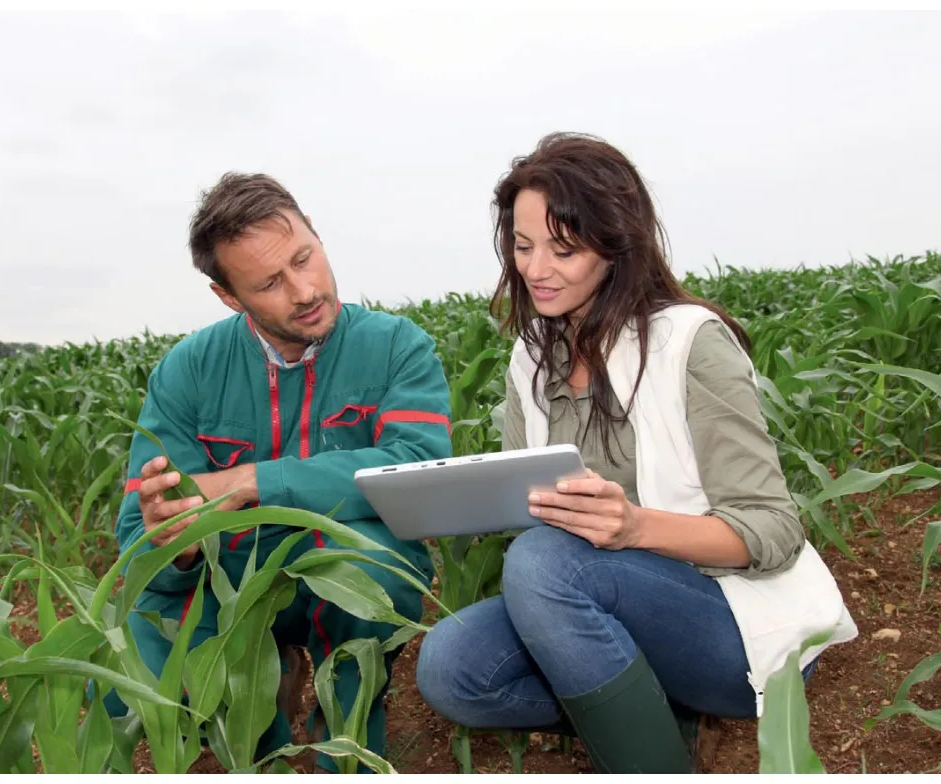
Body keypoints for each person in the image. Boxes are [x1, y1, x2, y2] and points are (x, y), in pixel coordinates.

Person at [414, 132, 859, 774]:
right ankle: (657, 717)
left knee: (545, 563)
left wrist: (634, 527)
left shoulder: (689, 343)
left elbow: (774, 529)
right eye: (523, 245)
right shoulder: (530, 359)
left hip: (731, 616)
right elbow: (526, 505)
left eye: (563, 249)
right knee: (453, 667)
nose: (535, 269)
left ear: (616, 245)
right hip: (589, 597)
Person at [105, 172, 453, 772]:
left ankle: (346, 751)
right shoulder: (187, 371)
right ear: (228, 296)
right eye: (269, 283)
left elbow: (419, 466)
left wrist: (254, 482)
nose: (304, 290)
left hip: (346, 567)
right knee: (124, 668)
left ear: (314, 231)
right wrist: (175, 546)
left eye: (303, 257)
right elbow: (140, 534)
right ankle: (261, 732)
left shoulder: (397, 346)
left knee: (370, 573)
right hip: (231, 578)